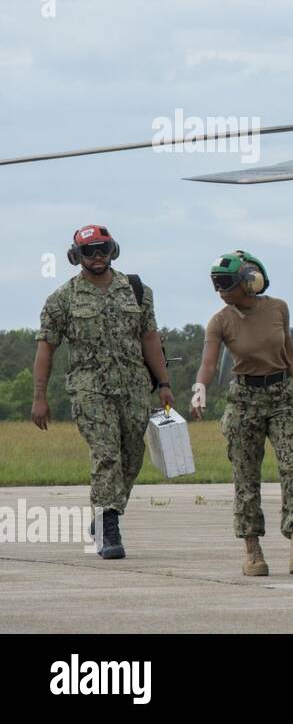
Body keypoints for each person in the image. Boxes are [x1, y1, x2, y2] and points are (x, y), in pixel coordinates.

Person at [32, 225, 175, 559]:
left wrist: (164, 384)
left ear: (114, 250)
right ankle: (109, 528)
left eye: (103, 249)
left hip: (134, 387)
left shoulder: (137, 290)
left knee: (131, 456)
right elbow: (45, 350)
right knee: (106, 453)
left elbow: (150, 338)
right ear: (75, 256)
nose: (97, 256)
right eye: (89, 250)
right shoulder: (61, 300)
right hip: (90, 390)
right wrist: (40, 396)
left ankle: (103, 510)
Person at [191, 251, 293, 576]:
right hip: (244, 400)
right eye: (217, 286)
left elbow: (290, 357)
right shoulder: (220, 320)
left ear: (252, 281)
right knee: (246, 478)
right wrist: (199, 389)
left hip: (282, 396)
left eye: (227, 285)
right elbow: (208, 362)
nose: (221, 292)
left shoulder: (279, 309)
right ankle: (252, 551)